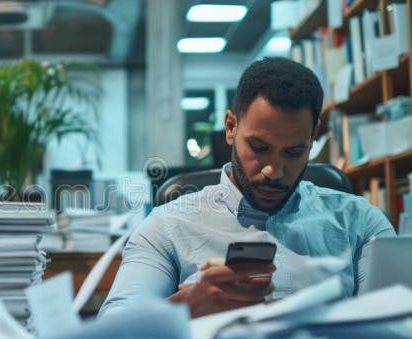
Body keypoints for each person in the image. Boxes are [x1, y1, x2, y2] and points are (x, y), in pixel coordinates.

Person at [100, 58, 394, 319]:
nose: (273, 171)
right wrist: (188, 306)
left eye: (293, 152)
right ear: (231, 127)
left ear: (313, 136)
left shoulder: (361, 222)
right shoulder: (167, 226)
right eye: (259, 147)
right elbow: (113, 329)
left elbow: (400, 319)